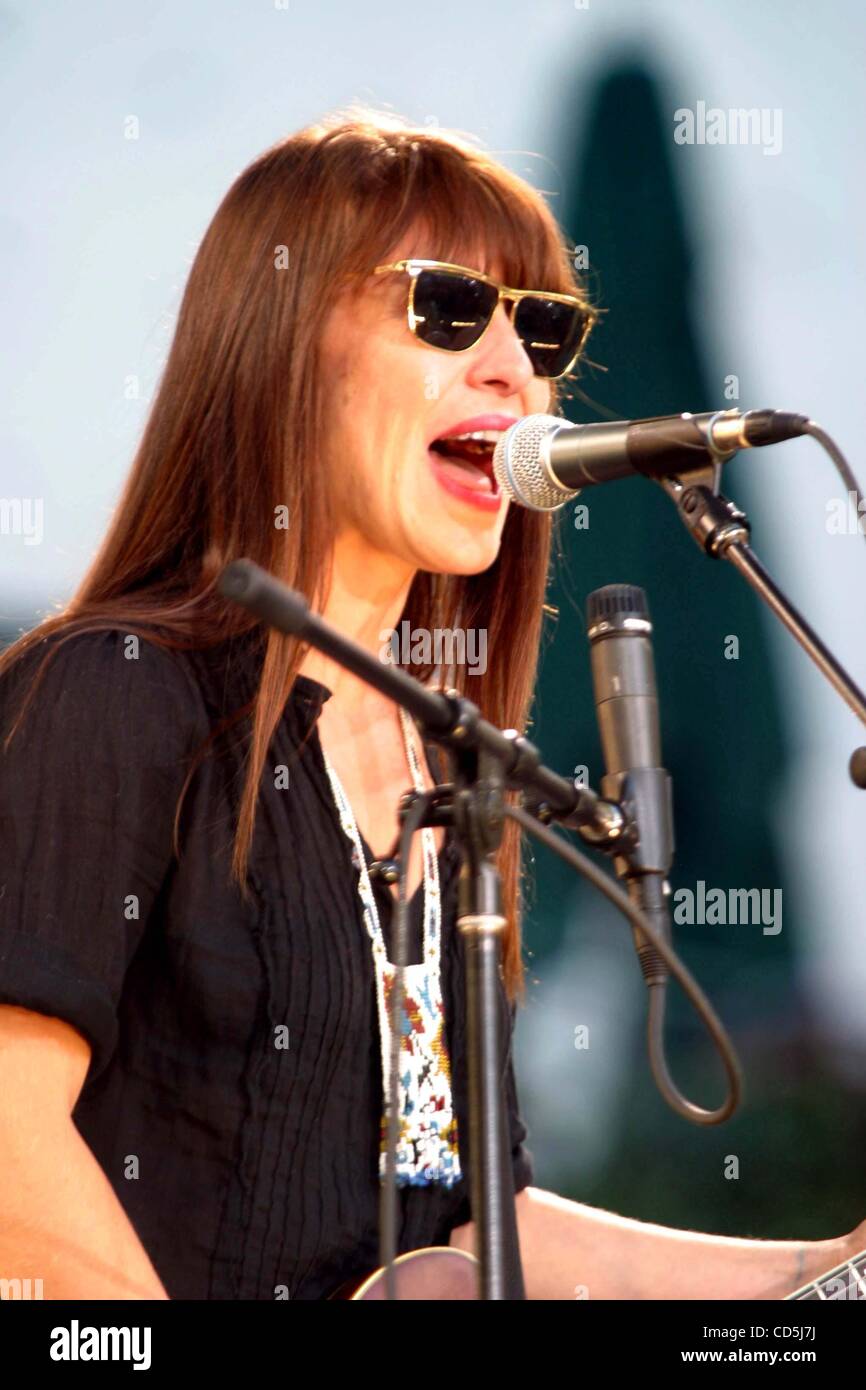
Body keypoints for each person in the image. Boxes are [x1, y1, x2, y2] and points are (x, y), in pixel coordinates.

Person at [0, 108, 861, 1301]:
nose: (517, 368)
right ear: (280, 343)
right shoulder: (110, 694)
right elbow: (8, 1153)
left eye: (544, 327)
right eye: (448, 306)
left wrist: (821, 1275)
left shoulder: (452, 780)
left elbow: (469, 1237)